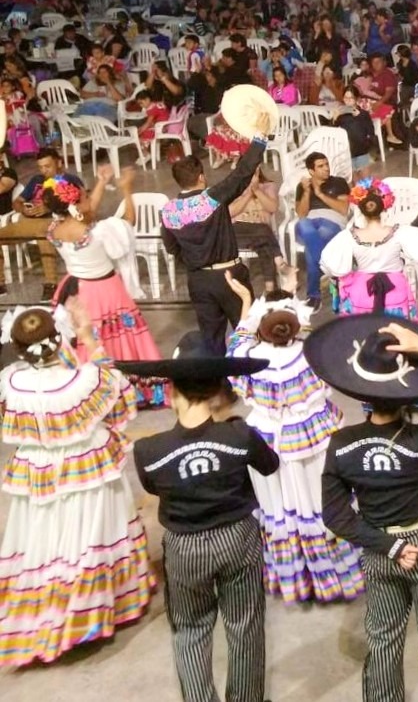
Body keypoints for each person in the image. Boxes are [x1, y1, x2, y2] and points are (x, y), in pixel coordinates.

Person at [312, 314, 418, 702]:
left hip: (380, 546)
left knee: (383, 636)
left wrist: (390, 547)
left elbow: (336, 516)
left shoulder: (341, 446)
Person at [126, 331, 277, 702]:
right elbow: (270, 465)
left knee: (190, 630)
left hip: (184, 545)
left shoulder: (149, 450)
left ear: (172, 387)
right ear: (217, 388)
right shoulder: (239, 434)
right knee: (245, 627)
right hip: (238, 537)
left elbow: (154, 488)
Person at [0, 304, 153, 668]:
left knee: (44, 535)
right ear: (59, 338)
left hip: (36, 467)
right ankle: (89, 611)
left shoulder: (10, 383)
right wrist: (88, 337)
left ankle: (42, 614)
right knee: (90, 534)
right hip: (86, 463)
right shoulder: (85, 379)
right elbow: (119, 397)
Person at [226, 276, 363, 603]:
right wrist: (289, 295)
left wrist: (246, 297)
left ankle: (294, 577)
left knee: (280, 504)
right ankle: (333, 574)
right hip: (311, 434)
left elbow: (238, 338)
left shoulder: (247, 356)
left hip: (268, 439)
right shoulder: (311, 354)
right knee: (319, 497)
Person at [45, 168, 168, 407]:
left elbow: (85, 210)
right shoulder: (98, 232)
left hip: (76, 289)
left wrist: (101, 182)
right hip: (106, 290)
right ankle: (130, 391)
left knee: (89, 338)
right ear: (77, 205)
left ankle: (91, 390)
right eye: (85, 195)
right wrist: (126, 190)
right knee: (120, 338)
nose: (90, 199)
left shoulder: (53, 230)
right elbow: (128, 223)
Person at [162, 87, 272, 352]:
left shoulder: (168, 211)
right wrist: (260, 138)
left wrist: (195, 264)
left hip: (198, 280)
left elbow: (172, 248)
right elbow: (243, 173)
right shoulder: (212, 198)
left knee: (211, 340)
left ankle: (217, 385)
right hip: (229, 275)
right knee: (248, 330)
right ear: (201, 177)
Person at [321, 178, 418, 320]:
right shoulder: (400, 232)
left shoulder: (348, 236)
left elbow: (329, 264)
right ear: (384, 208)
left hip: (362, 293)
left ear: (361, 211)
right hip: (395, 290)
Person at [0, 148, 82, 297]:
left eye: (47, 166)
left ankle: (51, 284)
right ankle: (0, 283)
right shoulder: (36, 180)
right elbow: (17, 202)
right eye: (41, 167)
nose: (44, 170)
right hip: (28, 222)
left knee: (43, 234)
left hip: (54, 222)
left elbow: (79, 207)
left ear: (58, 163)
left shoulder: (70, 181)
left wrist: (49, 206)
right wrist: (23, 209)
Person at [293, 151, 350, 308]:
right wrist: (307, 192)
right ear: (311, 171)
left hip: (332, 221)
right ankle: (330, 270)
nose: (326, 168)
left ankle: (313, 295)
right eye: (321, 166)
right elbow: (301, 213)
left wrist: (320, 194)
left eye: (327, 164)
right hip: (309, 221)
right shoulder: (303, 186)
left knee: (312, 248)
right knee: (304, 224)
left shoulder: (338, 182)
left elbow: (343, 209)